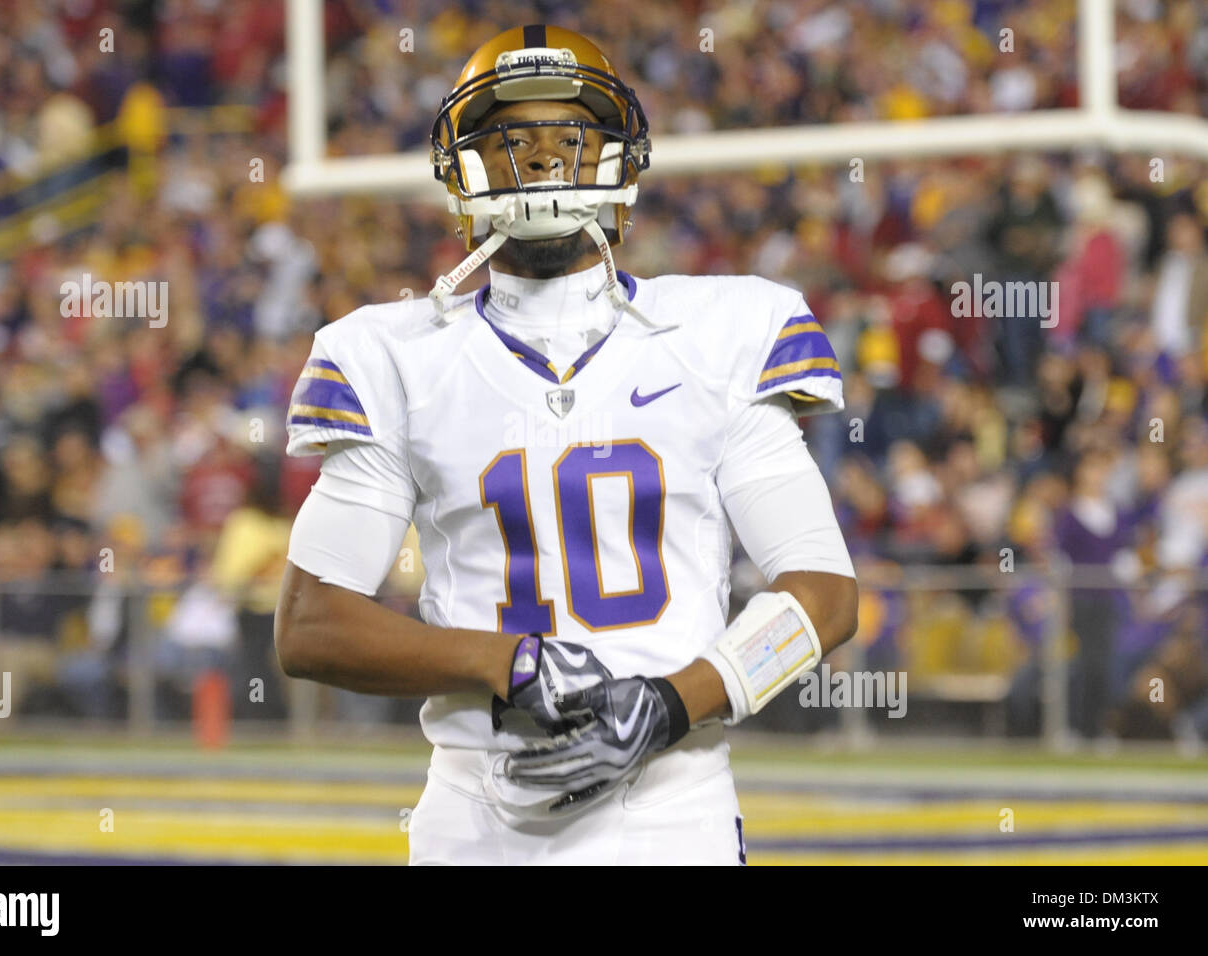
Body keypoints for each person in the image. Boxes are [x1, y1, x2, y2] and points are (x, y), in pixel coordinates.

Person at [275, 25, 858, 865]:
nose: (544, 158)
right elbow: (308, 626)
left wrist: (669, 705)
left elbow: (825, 595)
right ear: (465, 168)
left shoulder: (726, 329)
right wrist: (508, 663)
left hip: (672, 808)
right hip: (471, 812)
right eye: (513, 139)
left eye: (569, 136)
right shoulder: (389, 354)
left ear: (619, 160)